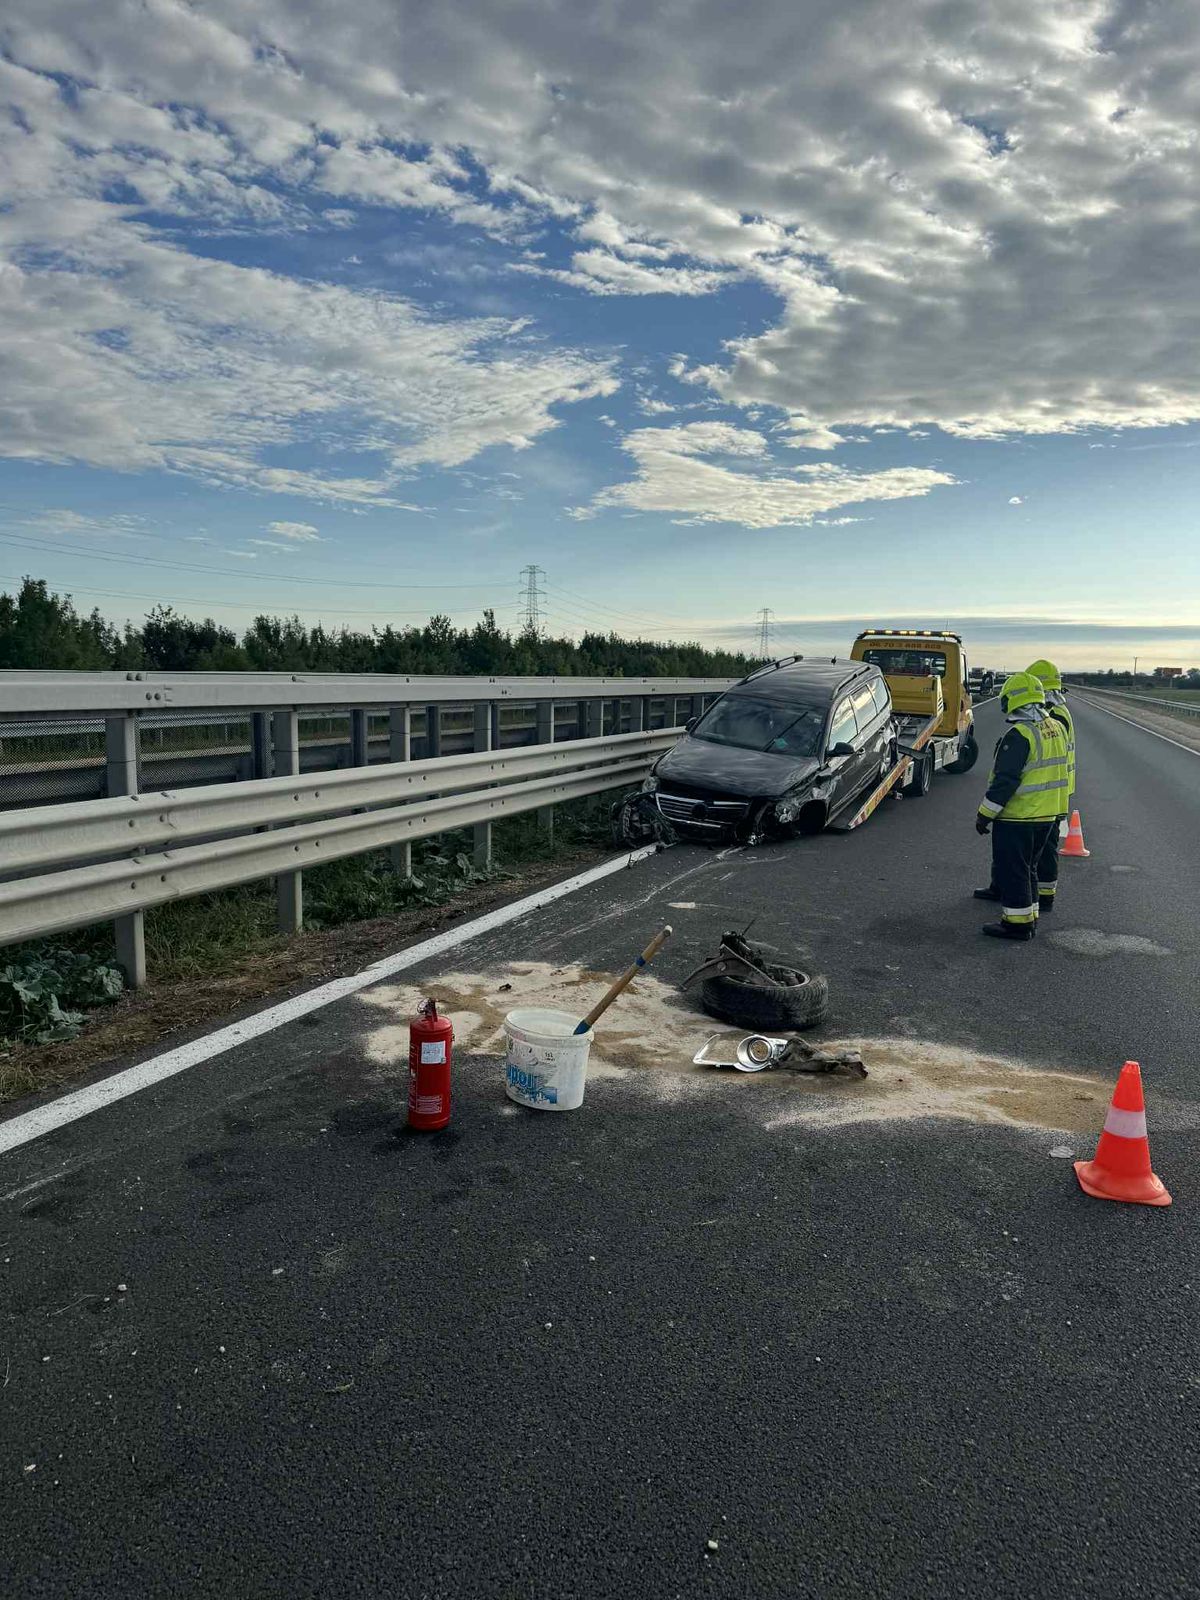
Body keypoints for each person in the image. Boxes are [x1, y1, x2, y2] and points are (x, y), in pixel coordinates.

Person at [972, 672, 1070, 941]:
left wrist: (984, 815)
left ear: (1012, 700)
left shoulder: (1020, 734)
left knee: (1013, 870)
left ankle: (1017, 924)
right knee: (1029, 868)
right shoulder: (1056, 727)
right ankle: (1030, 916)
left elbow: (1005, 782)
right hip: (1046, 815)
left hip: (1019, 816)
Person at [1025, 658, 1074, 915]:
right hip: (1050, 790)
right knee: (1032, 849)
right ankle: (1008, 888)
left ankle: (1044, 895)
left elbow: (1049, 755)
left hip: (1049, 792)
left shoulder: (1054, 716)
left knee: (1044, 849)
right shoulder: (1058, 711)